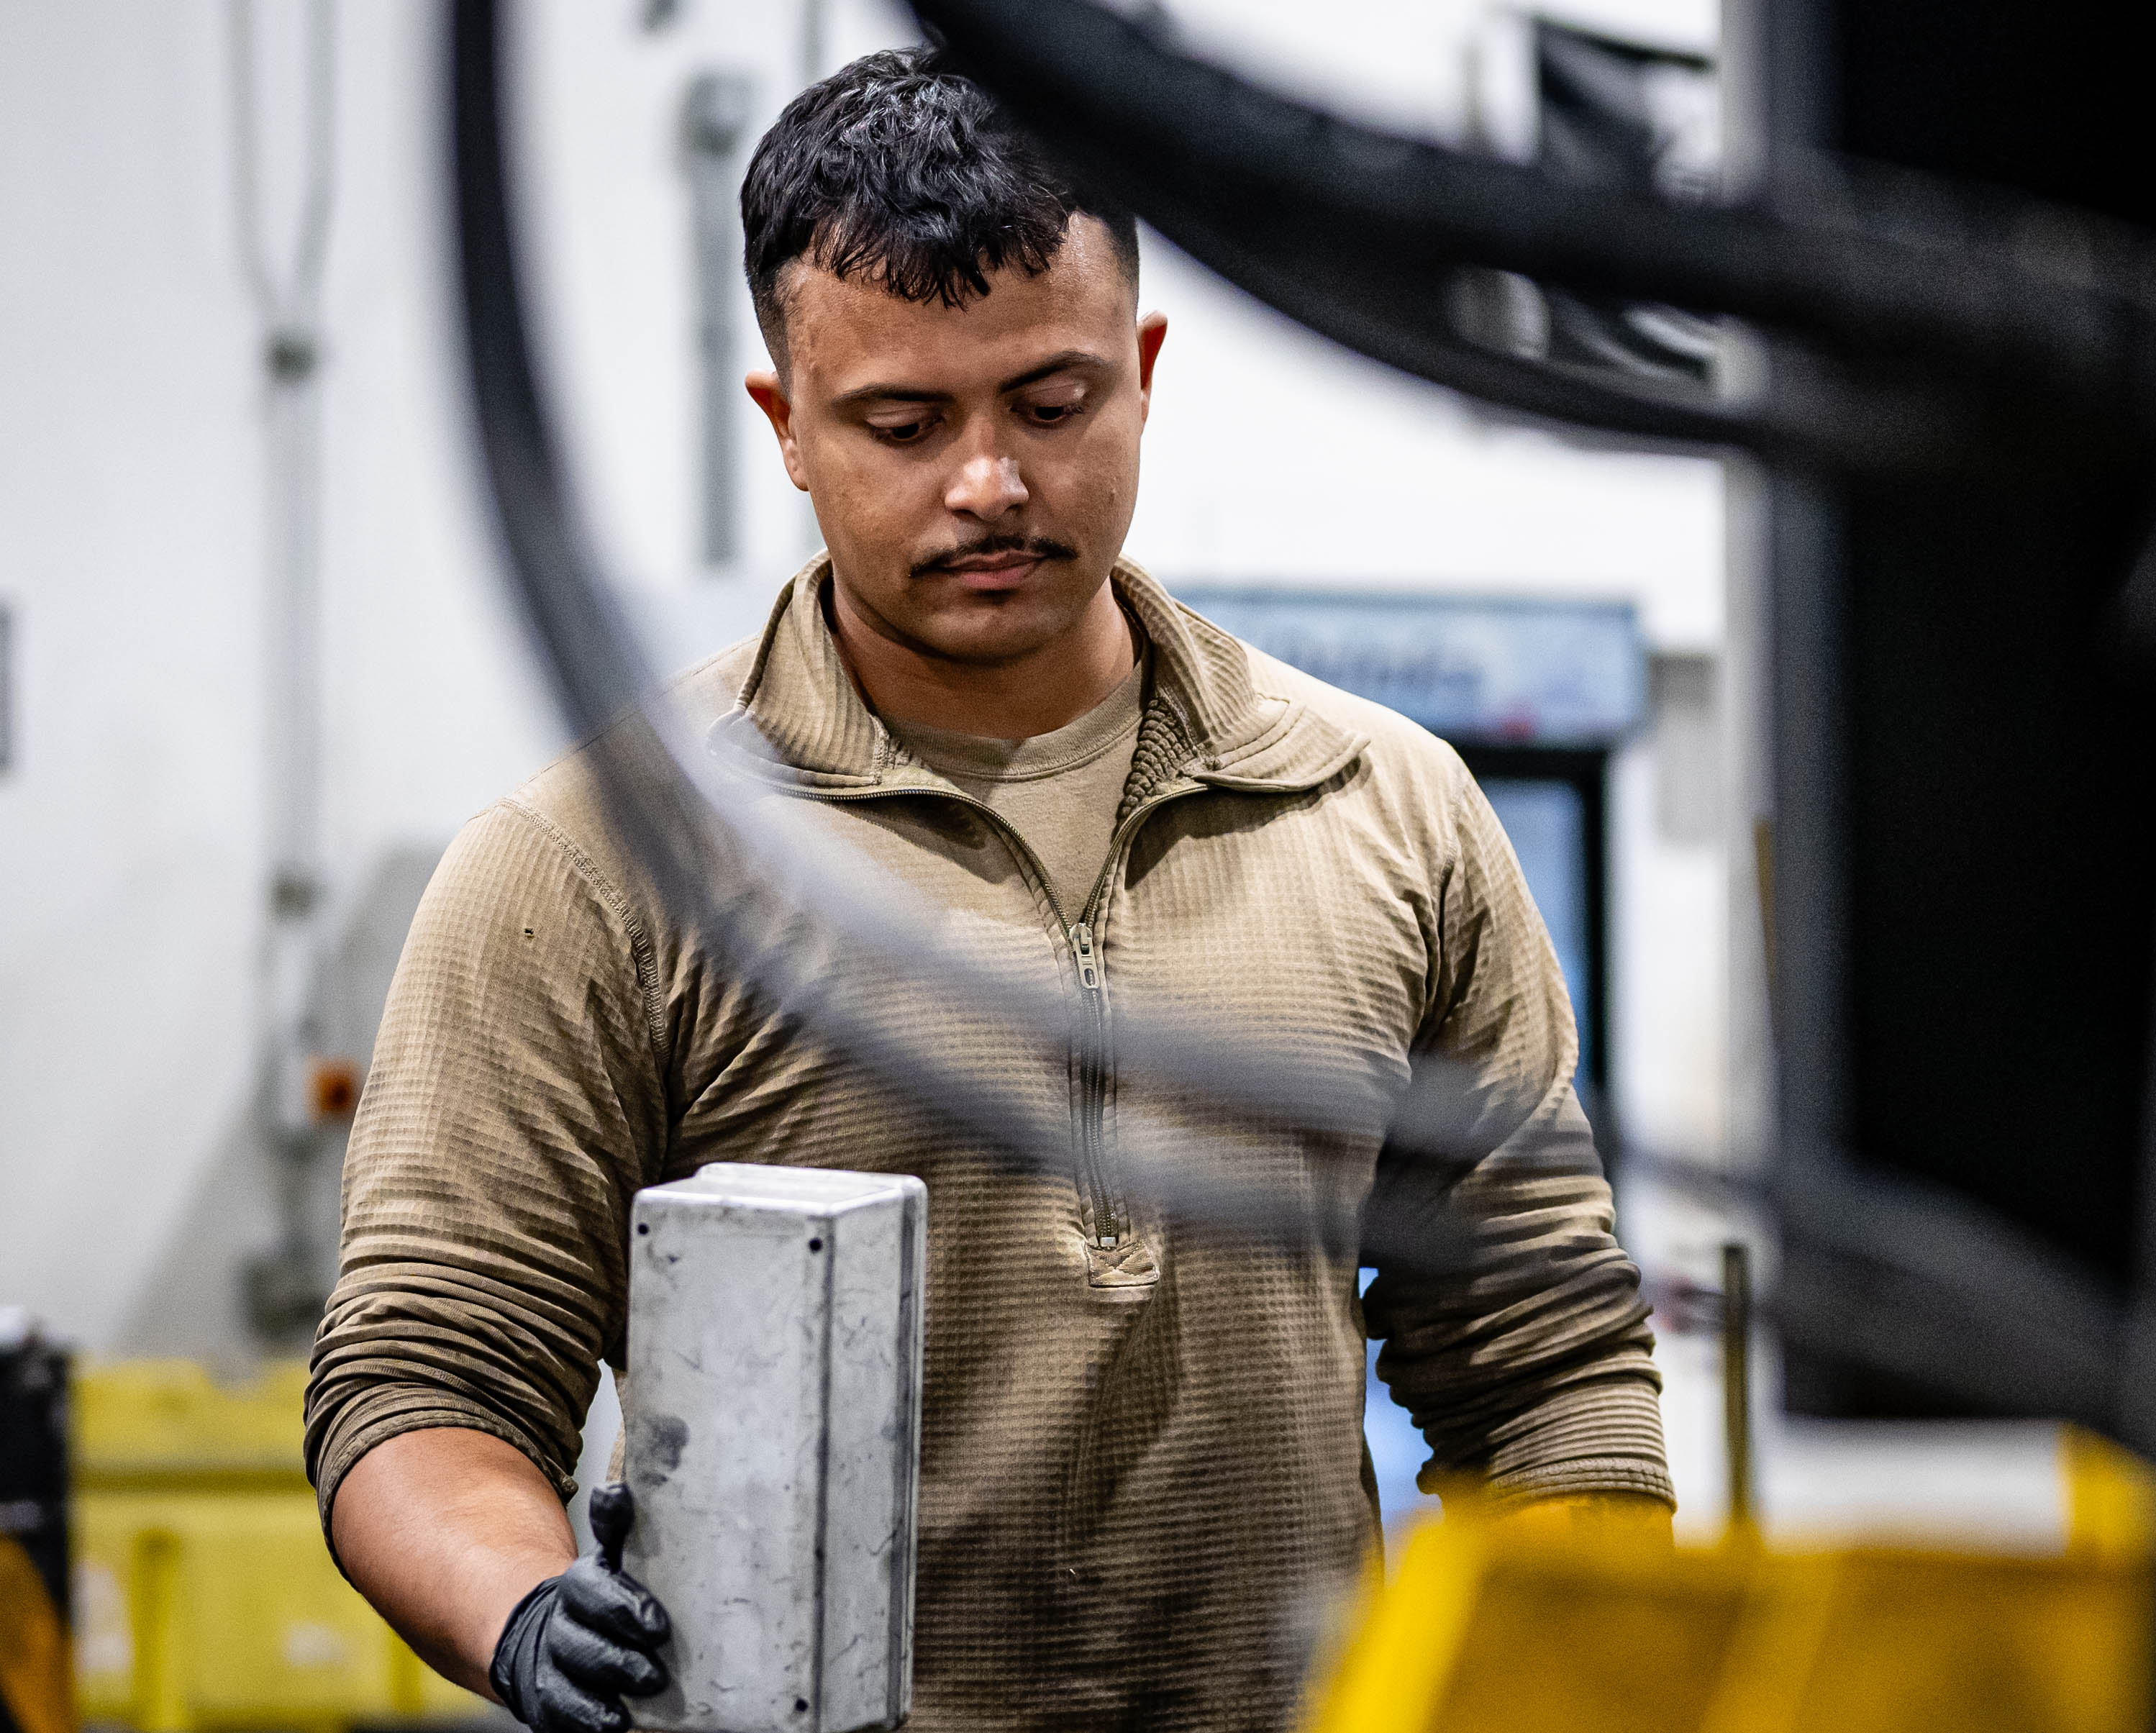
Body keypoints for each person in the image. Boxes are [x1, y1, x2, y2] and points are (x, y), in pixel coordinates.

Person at [305, 48, 1670, 1733]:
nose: (990, 484)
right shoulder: (597, 863)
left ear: (1145, 372)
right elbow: (423, 1377)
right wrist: (520, 1609)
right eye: (903, 421)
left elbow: (1547, 1368)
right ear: (785, 427)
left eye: (1051, 400)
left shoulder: (1386, 812)